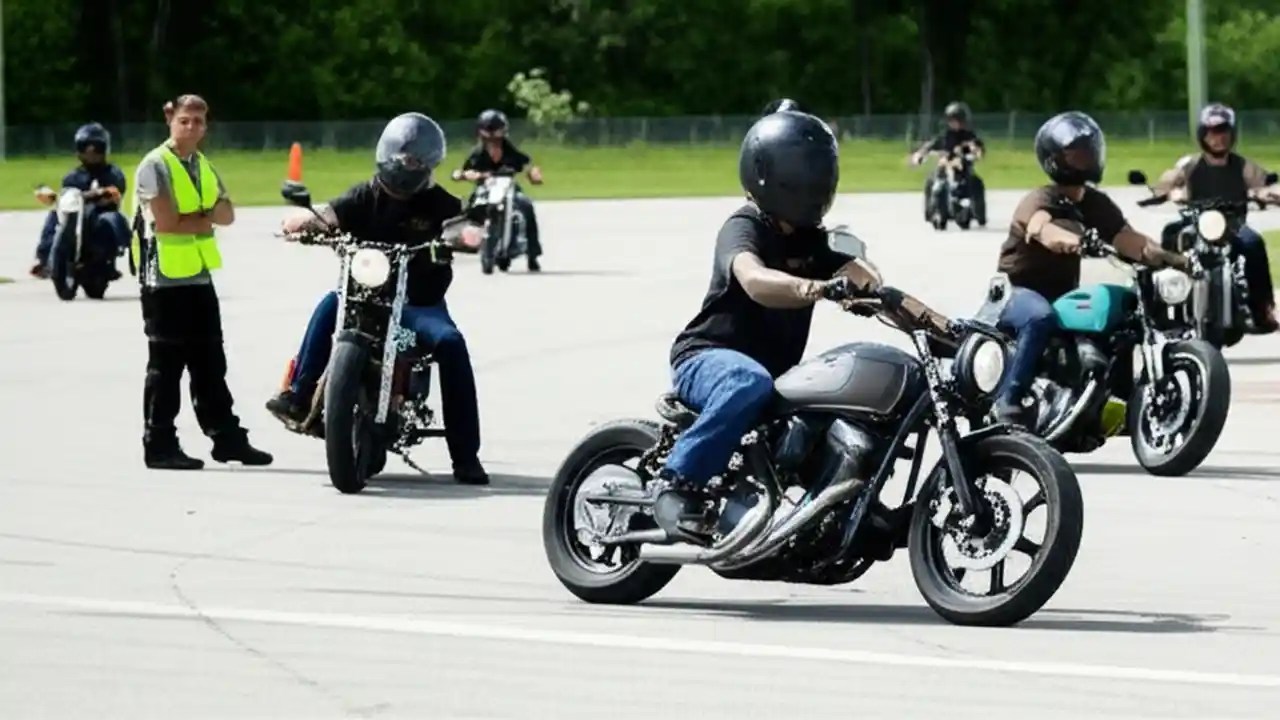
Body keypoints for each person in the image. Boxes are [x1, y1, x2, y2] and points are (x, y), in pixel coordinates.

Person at [654, 109, 888, 543]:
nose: (812, 182)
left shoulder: (813, 239)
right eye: (801, 171)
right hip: (707, 358)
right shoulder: (744, 226)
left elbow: (866, 276)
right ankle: (677, 481)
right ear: (767, 173)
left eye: (818, 170)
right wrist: (820, 289)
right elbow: (755, 281)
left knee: (839, 400)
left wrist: (943, 326)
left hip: (773, 377)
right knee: (747, 380)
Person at [266, 112, 490, 485]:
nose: (408, 164)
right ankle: (299, 394)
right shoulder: (365, 195)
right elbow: (330, 214)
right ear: (387, 153)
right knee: (328, 304)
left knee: (451, 344)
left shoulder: (440, 204)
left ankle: (465, 455)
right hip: (364, 297)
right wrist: (302, 222)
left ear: (429, 163)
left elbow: (463, 225)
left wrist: (468, 236)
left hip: (419, 304)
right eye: (403, 156)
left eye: (416, 158)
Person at [992, 111, 1190, 425]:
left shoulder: (1095, 203)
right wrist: (1068, 239)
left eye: (1088, 152)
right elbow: (1041, 227)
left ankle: (1121, 398)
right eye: (1075, 154)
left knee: (1123, 315)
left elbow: (1129, 239)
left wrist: (1174, 259)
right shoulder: (1040, 198)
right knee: (1040, 317)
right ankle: (1007, 402)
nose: (1084, 160)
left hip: (1063, 296)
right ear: (1054, 159)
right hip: (1016, 293)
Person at [129, 94, 273, 470]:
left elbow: (228, 215)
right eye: (185, 120)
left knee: (211, 364)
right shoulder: (153, 166)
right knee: (166, 368)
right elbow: (166, 222)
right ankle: (158, 444)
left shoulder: (203, 165)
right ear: (169, 119)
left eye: (199, 121)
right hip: (163, 283)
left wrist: (197, 215)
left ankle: (227, 439)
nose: (192, 127)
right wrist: (204, 216)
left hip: (198, 278)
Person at [1151, 102, 1279, 332]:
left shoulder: (1242, 165)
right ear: (1203, 135)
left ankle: (1263, 307)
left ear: (1232, 135)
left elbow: (1262, 184)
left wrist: (1266, 193)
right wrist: (1168, 189)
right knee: (1170, 233)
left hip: (1232, 224)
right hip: (1195, 221)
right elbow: (1168, 179)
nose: (1218, 138)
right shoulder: (1190, 164)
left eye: (1223, 132)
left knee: (1253, 243)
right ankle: (1162, 301)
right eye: (1212, 133)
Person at [31, 123, 131, 279]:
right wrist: (54, 197)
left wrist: (106, 193)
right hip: (74, 214)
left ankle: (107, 259)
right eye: (85, 146)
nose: (90, 151)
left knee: (111, 219)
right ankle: (45, 258)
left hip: (99, 213)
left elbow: (117, 190)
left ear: (105, 148)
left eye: (96, 147)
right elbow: (66, 195)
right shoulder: (72, 176)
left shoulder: (113, 173)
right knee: (53, 216)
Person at [451, 109, 545, 271]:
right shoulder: (477, 154)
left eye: (496, 130)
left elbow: (527, 165)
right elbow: (463, 171)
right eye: (488, 130)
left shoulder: (510, 150)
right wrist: (465, 175)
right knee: (467, 209)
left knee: (526, 205)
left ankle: (532, 254)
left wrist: (533, 174)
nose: (492, 135)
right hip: (485, 190)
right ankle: (461, 241)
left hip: (509, 188)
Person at [910, 101, 988, 226]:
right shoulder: (944, 137)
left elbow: (978, 148)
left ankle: (978, 213)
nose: (955, 123)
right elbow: (928, 147)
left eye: (958, 120)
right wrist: (919, 155)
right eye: (952, 120)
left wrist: (975, 153)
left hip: (963, 170)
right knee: (931, 180)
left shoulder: (970, 137)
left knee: (977, 183)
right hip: (945, 169)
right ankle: (932, 210)